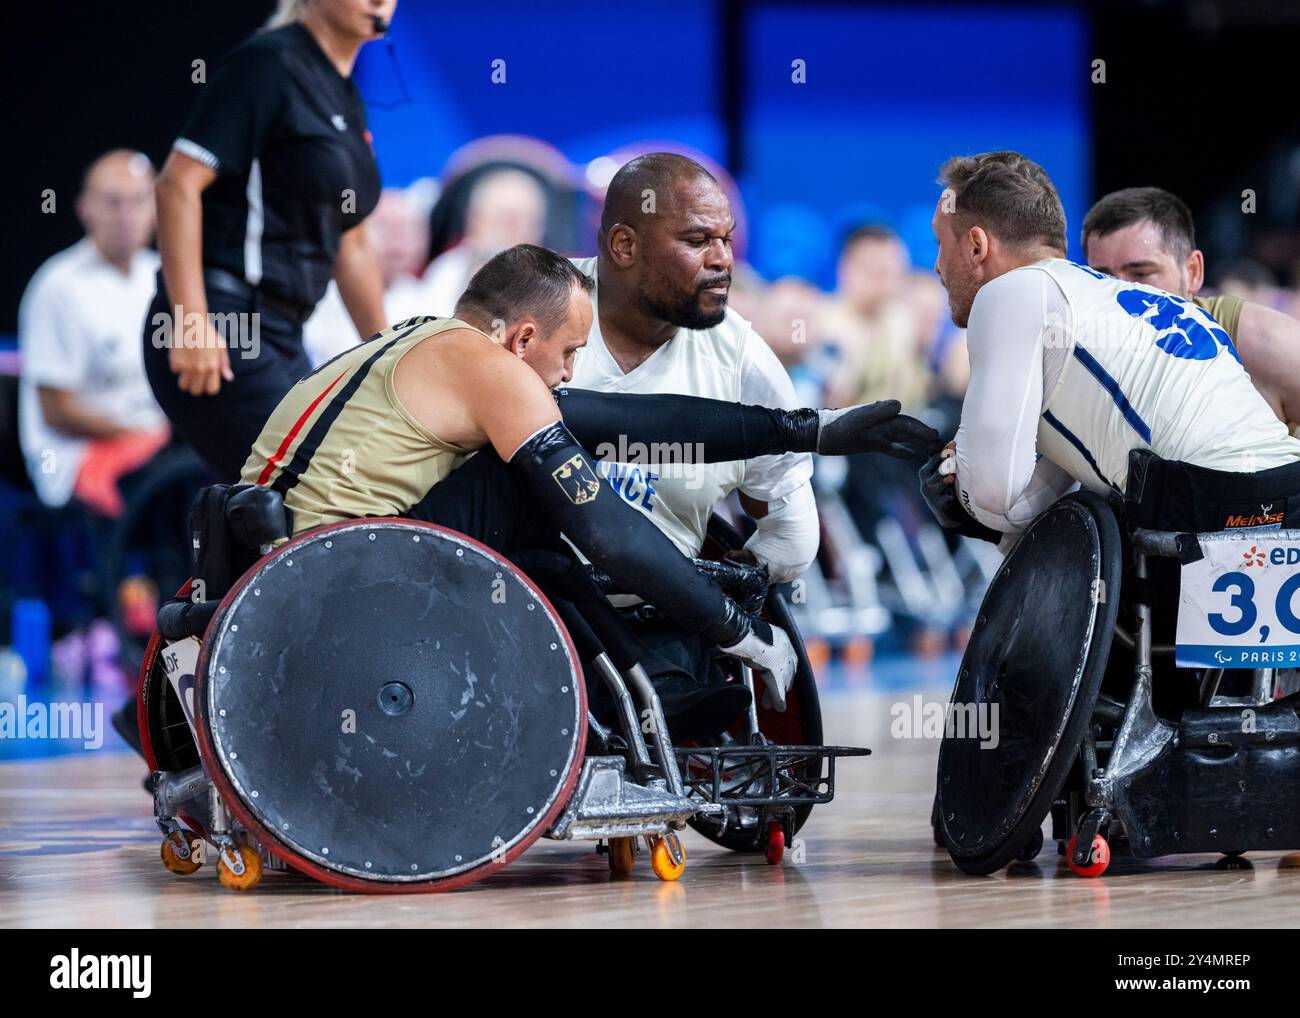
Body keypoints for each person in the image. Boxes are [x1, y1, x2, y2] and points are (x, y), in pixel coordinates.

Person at [241, 244, 936, 731]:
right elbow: (607, 529)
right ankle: (645, 687)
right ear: (520, 338)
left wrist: (809, 428)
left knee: (545, 546)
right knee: (543, 489)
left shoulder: (428, 340)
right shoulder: (485, 369)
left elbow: (622, 422)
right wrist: (736, 631)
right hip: (334, 590)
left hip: (283, 571)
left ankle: (647, 691)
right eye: (570, 350)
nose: (573, 370)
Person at [919, 151, 1300, 550]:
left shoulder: (1007, 294)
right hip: (1281, 495)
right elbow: (1050, 487)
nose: (937, 266)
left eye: (940, 243)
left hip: (1218, 501)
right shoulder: (1109, 298)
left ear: (977, 245)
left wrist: (958, 479)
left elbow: (993, 496)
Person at [143, 0, 394, 480]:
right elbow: (176, 185)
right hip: (226, 322)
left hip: (282, 334)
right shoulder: (268, 63)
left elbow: (352, 242)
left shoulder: (344, 95)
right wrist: (192, 322)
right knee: (315, 486)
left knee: (326, 492)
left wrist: (385, 357)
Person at [18, 150, 169, 518]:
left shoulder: (162, 276)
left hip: (155, 446)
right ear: (87, 209)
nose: (126, 215)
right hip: (78, 456)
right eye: (113, 202)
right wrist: (144, 433)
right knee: (173, 489)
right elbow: (56, 411)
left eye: (137, 200)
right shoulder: (58, 285)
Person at [1082, 186, 1300, 432]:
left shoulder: (1262, 341)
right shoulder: (1077, 356)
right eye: (1102, 278)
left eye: (1141, 274)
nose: (1119, 293)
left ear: (1193, 272)